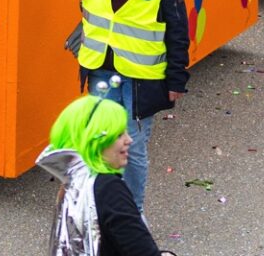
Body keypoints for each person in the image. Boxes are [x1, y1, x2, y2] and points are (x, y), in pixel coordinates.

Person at [11, 0, 188, 214]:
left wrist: (176, 79)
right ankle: (102, 211)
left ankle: (131, 217)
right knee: (101, 144)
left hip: (141, 80)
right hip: (102, 73)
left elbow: (177, 30)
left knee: (131, 149)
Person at [35, 94, 174, 256]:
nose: (128, 140)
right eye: (118, 135)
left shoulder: (72, 180)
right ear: (96, 142)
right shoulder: (109, 188)